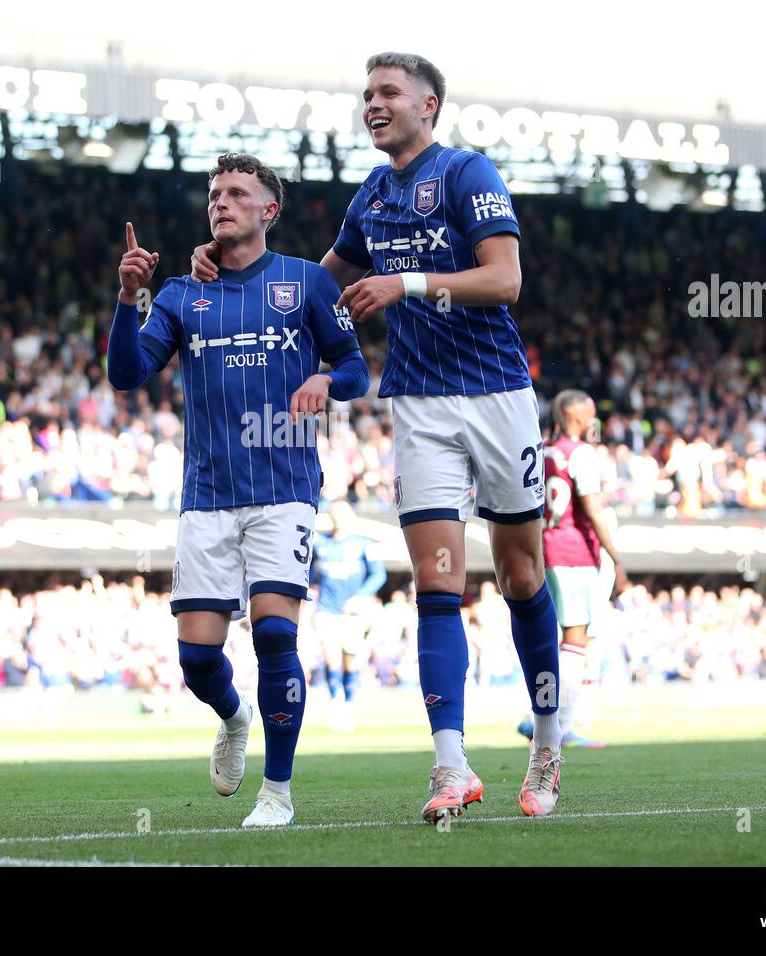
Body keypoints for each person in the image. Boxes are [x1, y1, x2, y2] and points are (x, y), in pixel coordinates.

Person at [193, 52, 562, 821]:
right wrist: (228, 267)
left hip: (498, 397)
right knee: (437, 580)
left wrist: (408, 284)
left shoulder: (467, 173)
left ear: (428, 105)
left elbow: (505, 280)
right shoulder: (372, 196)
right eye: (366, 93)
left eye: (388, 92)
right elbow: (310, 291)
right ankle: (450, 766)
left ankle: (547, 740)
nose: (373, 103)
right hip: (420, 405)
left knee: (522, 576)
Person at [107, 152, 369, 827]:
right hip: (208, 493)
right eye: (215, 193)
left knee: (276, 636)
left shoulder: (307, 283)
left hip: (284, 488)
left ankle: (277, 793)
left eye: (236, 193)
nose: (220, 202)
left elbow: (356, 370)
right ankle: (233, 715)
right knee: (197, 659)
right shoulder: (178, 292)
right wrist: (124, 299)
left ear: (268, 210)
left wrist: (325, 383)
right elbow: (128, 374)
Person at [518, 390, 628, 748]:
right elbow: (592, 510)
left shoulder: (541, 447)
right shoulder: (581, 453)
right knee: (575, 641)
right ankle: (559, 726)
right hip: (573, 553)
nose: (595, 421)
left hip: (542, 548)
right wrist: (617, 557)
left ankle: (534, 716)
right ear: (576, 416)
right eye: (591, 413)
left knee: (550, 639)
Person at [310, 499, 386, 731]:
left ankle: (349, 702)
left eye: (342, 513)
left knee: (350, 658)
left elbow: (378, 575)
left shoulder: (364, 545)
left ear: (351, 516)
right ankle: (336, 701)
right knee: (331, 654)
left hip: (352, 613)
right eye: (334, 513)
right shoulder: (320, 544)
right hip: (327, 610)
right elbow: (311, 575)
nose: (337, 518)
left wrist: (361, 597)